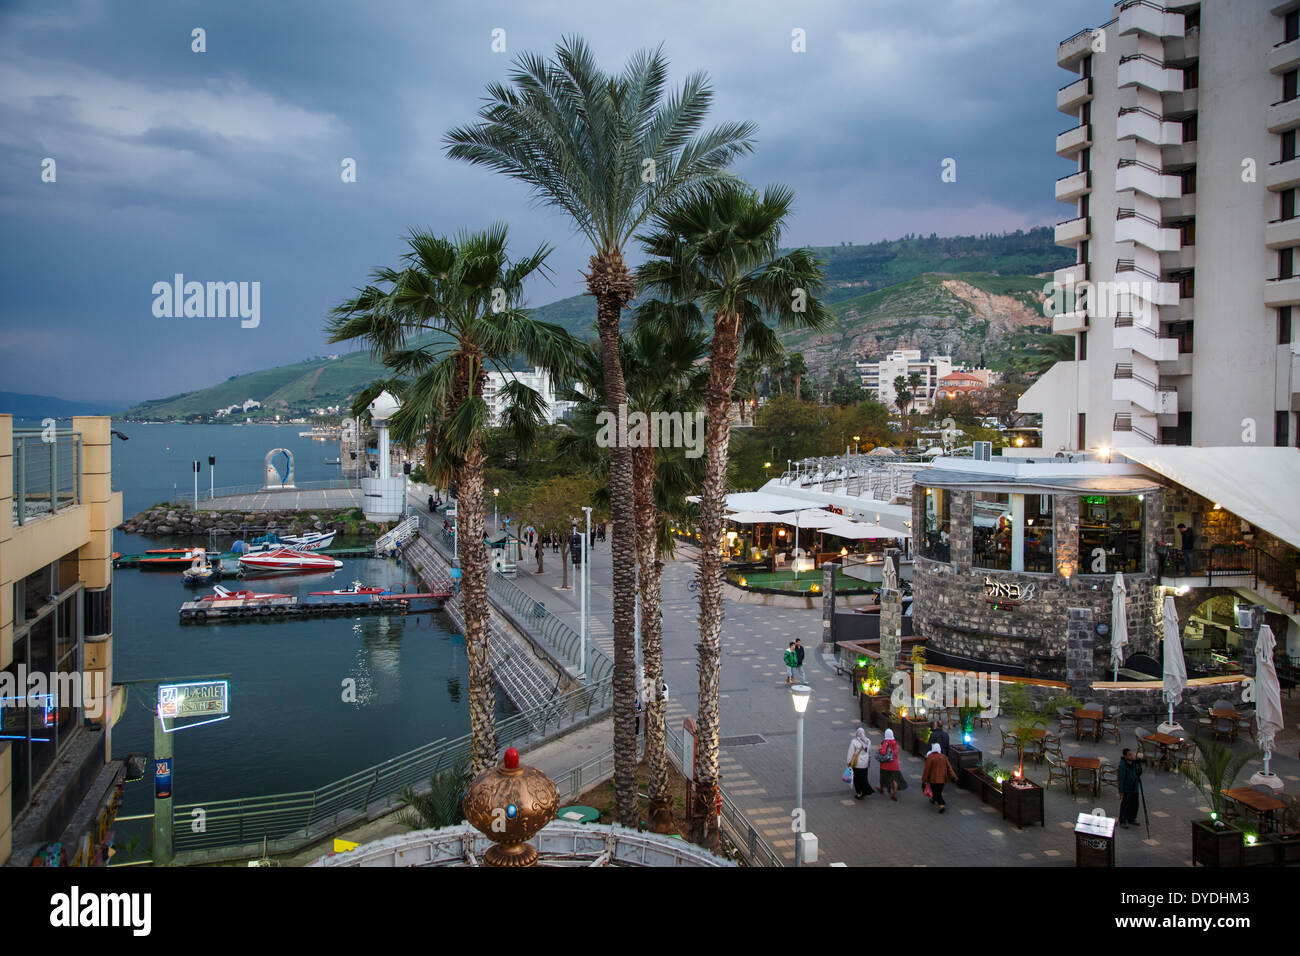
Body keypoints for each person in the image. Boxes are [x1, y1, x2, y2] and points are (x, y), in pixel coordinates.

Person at [921, 742, 958, 813]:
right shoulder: (944, 757)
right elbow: (949, 768)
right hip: (943, 779)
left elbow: (927, 770)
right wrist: (954, 776)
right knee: (938, 791)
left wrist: (924, 779)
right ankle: (933, 799)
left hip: (933, 779)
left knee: (936, 792)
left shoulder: (930, 757)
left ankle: (942, 805)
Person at [1118, 747, 1144, 828]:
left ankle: (1131, 818)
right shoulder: (1122, 765)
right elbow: (1121, 779)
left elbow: (1139, 773)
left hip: (1135, 787)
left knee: (1135, 804)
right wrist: (1121, 791)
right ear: (1125, 756)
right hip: (1127, 788)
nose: (1131, 756)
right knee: (1125, 804)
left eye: (1131, 754)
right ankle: (1122, 821)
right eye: (1129, 755)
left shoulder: (1134, 763)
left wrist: (1139, 765)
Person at [846, 727, 875, 799]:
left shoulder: (854, 742)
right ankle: (865, 790)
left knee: (857, 779)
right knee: (864, 778)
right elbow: (869, 752)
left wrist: (848, 762)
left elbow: (850, 753)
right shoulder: (868, 741)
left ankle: (859, 793)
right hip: (865, 764)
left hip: (857, 764)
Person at [878, 729, 902, 801]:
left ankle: (881, 789)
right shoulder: (895, 742)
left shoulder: (886, 742)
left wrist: (880, 748)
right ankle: (894, 795)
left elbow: (883, 752)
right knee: (895, 780)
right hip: (894, 764)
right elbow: (896, 753)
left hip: (885, 764)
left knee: (883, 777)